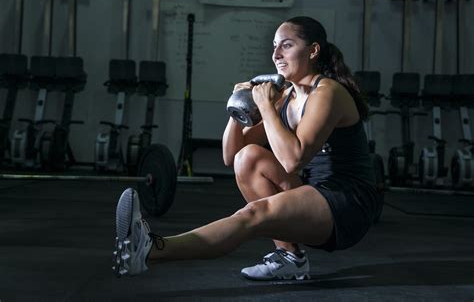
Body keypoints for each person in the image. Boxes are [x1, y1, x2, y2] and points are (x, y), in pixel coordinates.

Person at [113, 16, 381, 280]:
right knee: (248, 158)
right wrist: (237, 108)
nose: (276, 54)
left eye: (286, 45)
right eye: (274, 46)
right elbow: (231, 156)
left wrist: (265, 106)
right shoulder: (287, 95)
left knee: (254, 215)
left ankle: (151, 249)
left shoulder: (327, 92)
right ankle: (290, 258)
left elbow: (292, 161)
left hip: (347, 204)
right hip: (312, 191)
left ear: (313, 50)